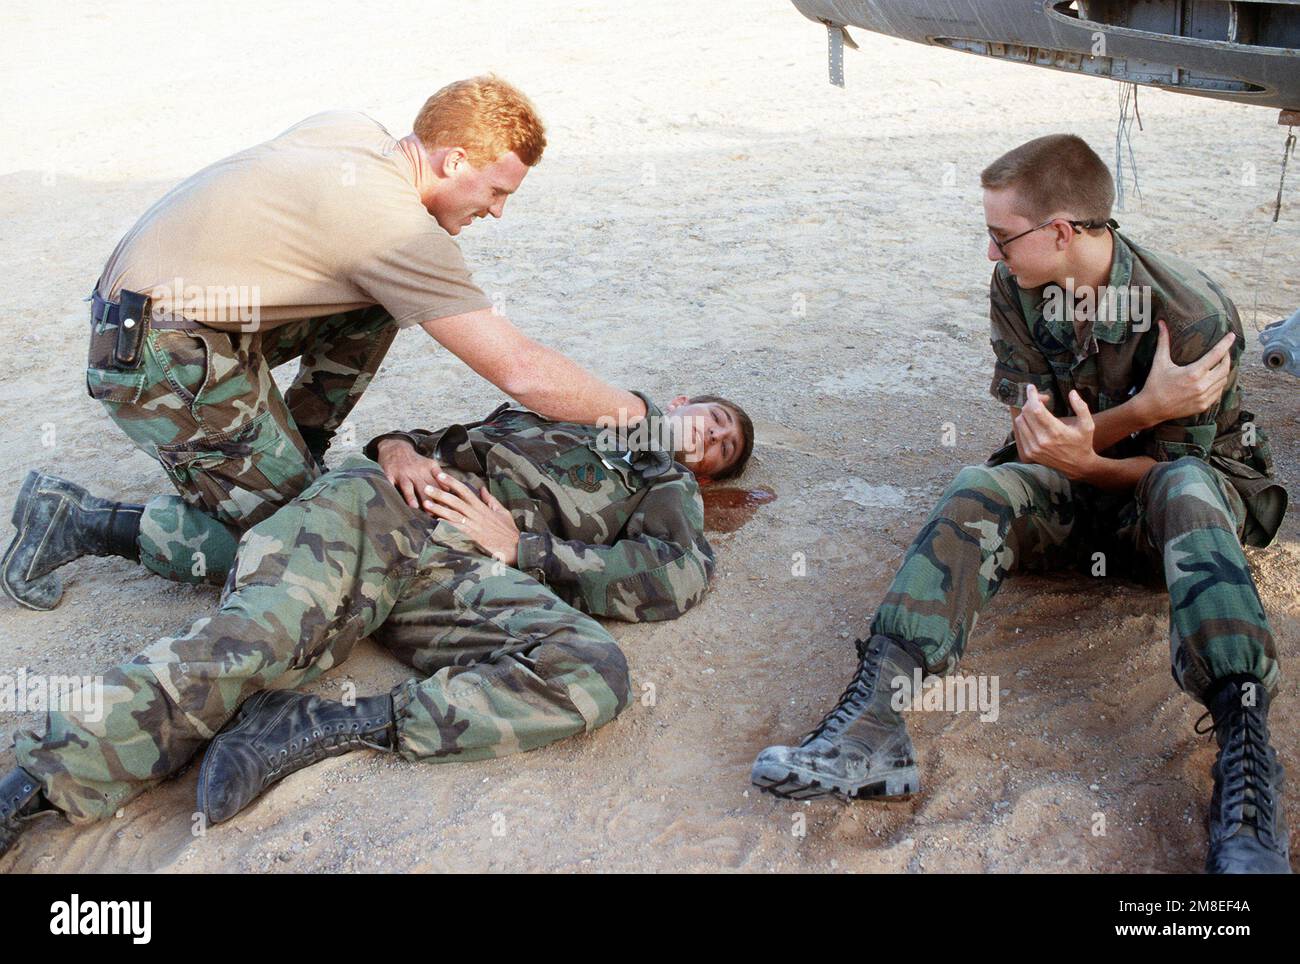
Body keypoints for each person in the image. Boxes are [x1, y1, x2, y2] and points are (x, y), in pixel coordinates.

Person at [751, 134, 1291, 874]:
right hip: (1083, 483)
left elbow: (1172, 475)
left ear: (1062, 232)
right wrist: (1137, 412)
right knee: (982, 484)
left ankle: (1245, 771)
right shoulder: (1019, 289)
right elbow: (1035, 443)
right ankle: (870, 725)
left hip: (1176, 520)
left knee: (1185, 484)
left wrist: (1087, 452)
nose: (991, 255)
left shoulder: (1189, 314)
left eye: (1000, 238)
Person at [3, 75, 652, 612]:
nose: (498, 211)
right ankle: (78, 519)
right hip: (159, 361)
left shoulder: (354, 134)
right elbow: (522, 371)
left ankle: (292, 461)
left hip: (172, 323)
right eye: (497, 191)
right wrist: (646, 417)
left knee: (380, 303)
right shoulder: (394, 227)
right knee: (311, 557)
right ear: (454, 161)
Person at [0, 392, 753, 853]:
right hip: (384, 510)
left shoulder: (662, 482)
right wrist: (397, 448)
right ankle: (38, 782)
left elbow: (674, 578)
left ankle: (309, 728)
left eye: (722, 450)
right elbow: (426, 440)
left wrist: (522, 548)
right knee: (263, 633)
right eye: (713, 420)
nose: (709, 439)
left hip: (463, 568)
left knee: (591, 670)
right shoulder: (574, 403)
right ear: (682, 401)